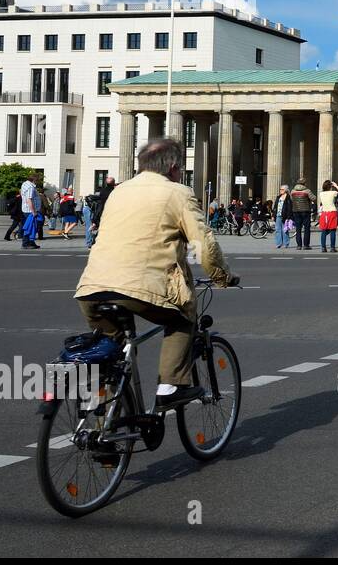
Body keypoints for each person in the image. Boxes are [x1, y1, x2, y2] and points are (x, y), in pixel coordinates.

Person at [75, 137, 238, 411]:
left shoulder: (119, 191)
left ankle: (102, 429)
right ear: (174, 167)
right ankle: (170, 387)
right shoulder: (178, 193)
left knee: (109, 353)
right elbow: (203, 244)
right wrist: (222, 275)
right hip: (140, 287)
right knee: (183, 317)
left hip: (91, 287)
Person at [289, 177, 314, 249]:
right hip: (306, 211)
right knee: (306, 229)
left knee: (298, 229)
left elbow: (291, 199)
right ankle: (306, 245)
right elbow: (313, 198)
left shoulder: (293, 191)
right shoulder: (307, 191)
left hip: (296, 211)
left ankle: (299, 245)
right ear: (304, 183)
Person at [20, 173, 42, 249]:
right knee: (30, 227)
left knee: (33, 226)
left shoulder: (25, 184)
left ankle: (31, 242)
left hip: (27, 210)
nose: (39, 181)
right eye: (38, 180)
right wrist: (33, 211)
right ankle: (26, 243)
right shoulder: (30, 187)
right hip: (30, 211)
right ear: (34, 180)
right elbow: (29, 199)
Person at [316, 180, 338, 252]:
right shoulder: (333, 192)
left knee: (323, 231)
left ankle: (323, 247)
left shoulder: (321, 193)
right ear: (330, 186)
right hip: (332, 212)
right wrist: (335, 186)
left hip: (324, 213)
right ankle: (332, 248)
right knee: (332, 230)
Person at [272, 185, 292, 249]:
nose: (280, 190)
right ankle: (279, 243)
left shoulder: (288, 197)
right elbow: (275, 207)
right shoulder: (278, 197)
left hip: (285, 216)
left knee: (285, 230)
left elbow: (289, 208)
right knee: (278, 230)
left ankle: (286, 243)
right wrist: (273, 215)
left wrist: (288, 217)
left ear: (286, 190)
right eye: (280, 189)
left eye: (282, 189)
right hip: (278, 215)